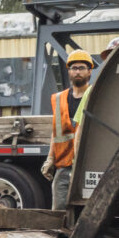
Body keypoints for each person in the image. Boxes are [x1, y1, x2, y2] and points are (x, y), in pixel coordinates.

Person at [41, 49, 93, 210]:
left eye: (82, 68)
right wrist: (50, 158)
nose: (77, 71)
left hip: (88, 164)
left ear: (89, 71)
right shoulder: (59, 98)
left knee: (87, 210)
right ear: (68, 71)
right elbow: (56, 132)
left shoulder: (95, 94)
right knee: (60, 211)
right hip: (64, 165)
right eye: (74, 68)